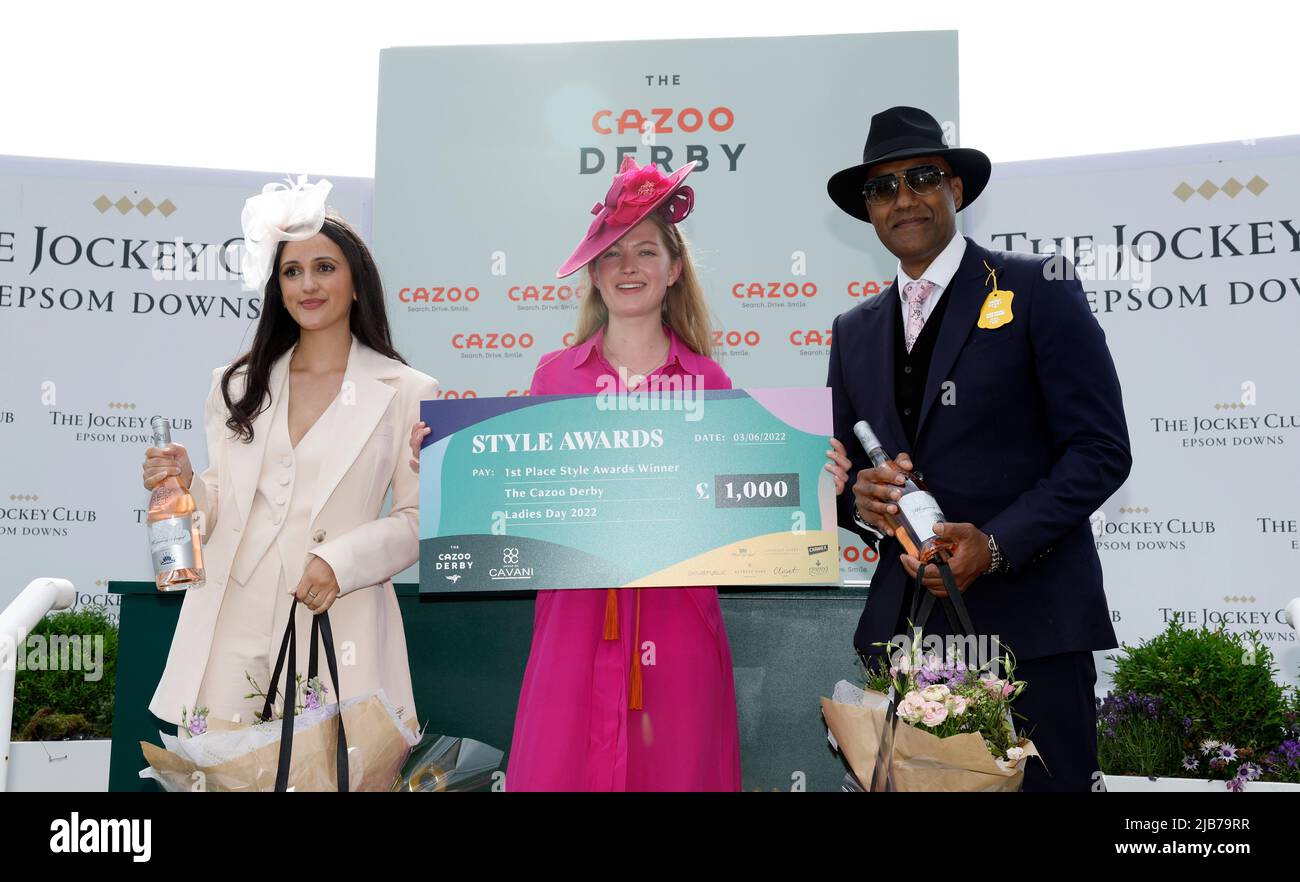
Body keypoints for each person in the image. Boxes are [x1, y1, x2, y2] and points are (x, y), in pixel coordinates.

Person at [822, 107, 1132, 791]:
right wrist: (860, 499)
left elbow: (1101, 449)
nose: (903, 198)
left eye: (922, 177)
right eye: (882, 187)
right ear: (868, 210)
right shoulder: (852, 330)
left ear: (955, 190)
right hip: (907, 637)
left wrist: (992, 546)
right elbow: (844, 479)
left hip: (1034, 626)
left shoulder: (1037, 287)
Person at [412, 157, 742, 790]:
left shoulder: (710, 381)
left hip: (676, 624)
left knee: (673, 767)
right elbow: (513, 492)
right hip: (574, 620)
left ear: (673, 271)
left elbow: (734, 506)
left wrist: (810, 477)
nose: (628, 268)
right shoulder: (553, 377)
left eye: (646, 252)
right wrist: (444, 465)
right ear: (593, 272)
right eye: (613, 254)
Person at [145, 178, 438, 731]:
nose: (308, 284)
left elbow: (420, 519)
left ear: (357, 282)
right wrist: (186, 486)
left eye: (325, 267)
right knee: (223, 774)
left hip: (336, 611)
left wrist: (340, 561)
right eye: (292, 271)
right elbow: (220, 504)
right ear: (277, 287)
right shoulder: (234, 385)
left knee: (327, 773)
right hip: (233, 613)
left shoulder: (406, 390)